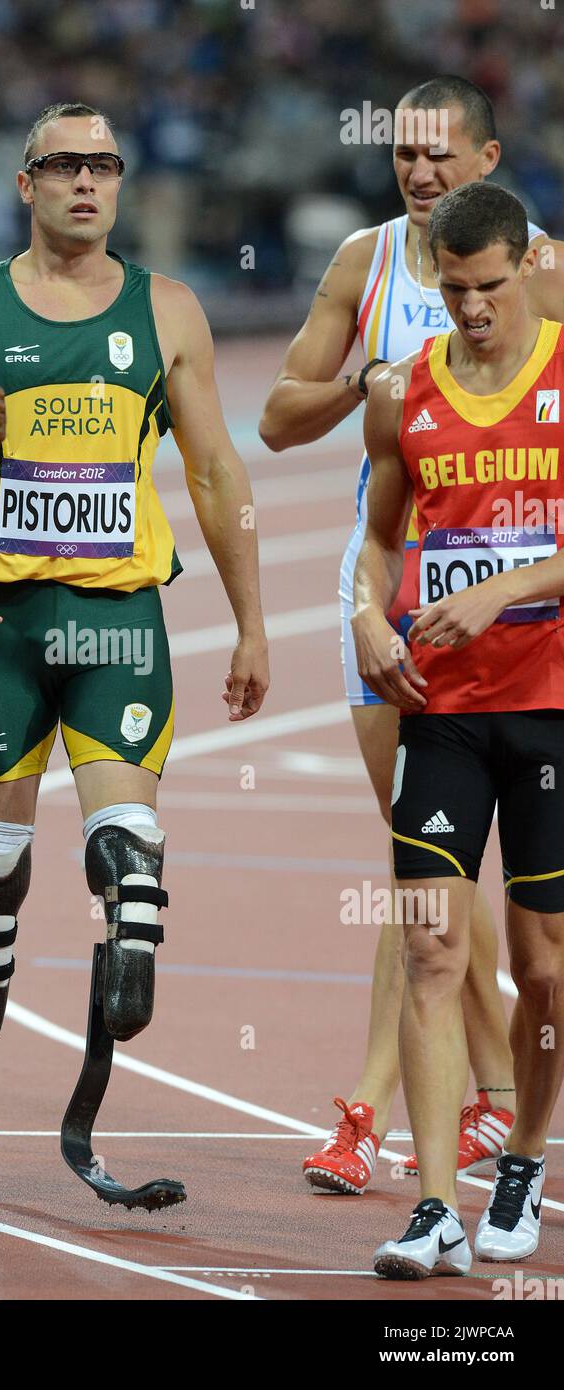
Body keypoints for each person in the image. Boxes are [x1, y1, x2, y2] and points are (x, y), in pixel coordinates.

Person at [0, 102, 268, 1191]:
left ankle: (132, 927)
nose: (86, 183)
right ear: (25, 184)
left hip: (116, 624)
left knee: (122, 850)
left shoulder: (169, 312)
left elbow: (213, 476)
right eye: (64, 166)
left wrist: (249, 623)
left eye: (103, 165)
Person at [259, 75, 564, 1194]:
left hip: (529, 612)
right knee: (425, 871)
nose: (419, 173)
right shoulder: (368, 262)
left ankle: (391, 1106)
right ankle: (464, 1099)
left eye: (439, 156)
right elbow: (277, 419)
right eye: (401, 156)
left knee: (472, 901)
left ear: (485, 160)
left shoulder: (544, 268)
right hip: (387, 593)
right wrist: (364, 384)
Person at [355, 181, 564, 1276]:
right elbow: (378, 537)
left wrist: (510, 585)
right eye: (451, 290)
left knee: (541, 968)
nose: (470, 309)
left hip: (551, 709)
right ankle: (434, 1204)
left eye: (487, 287)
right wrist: (360, 610)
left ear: (527, 264)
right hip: (439, 708)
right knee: (434, 950)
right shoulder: (404, 389)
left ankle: (524, 1153)